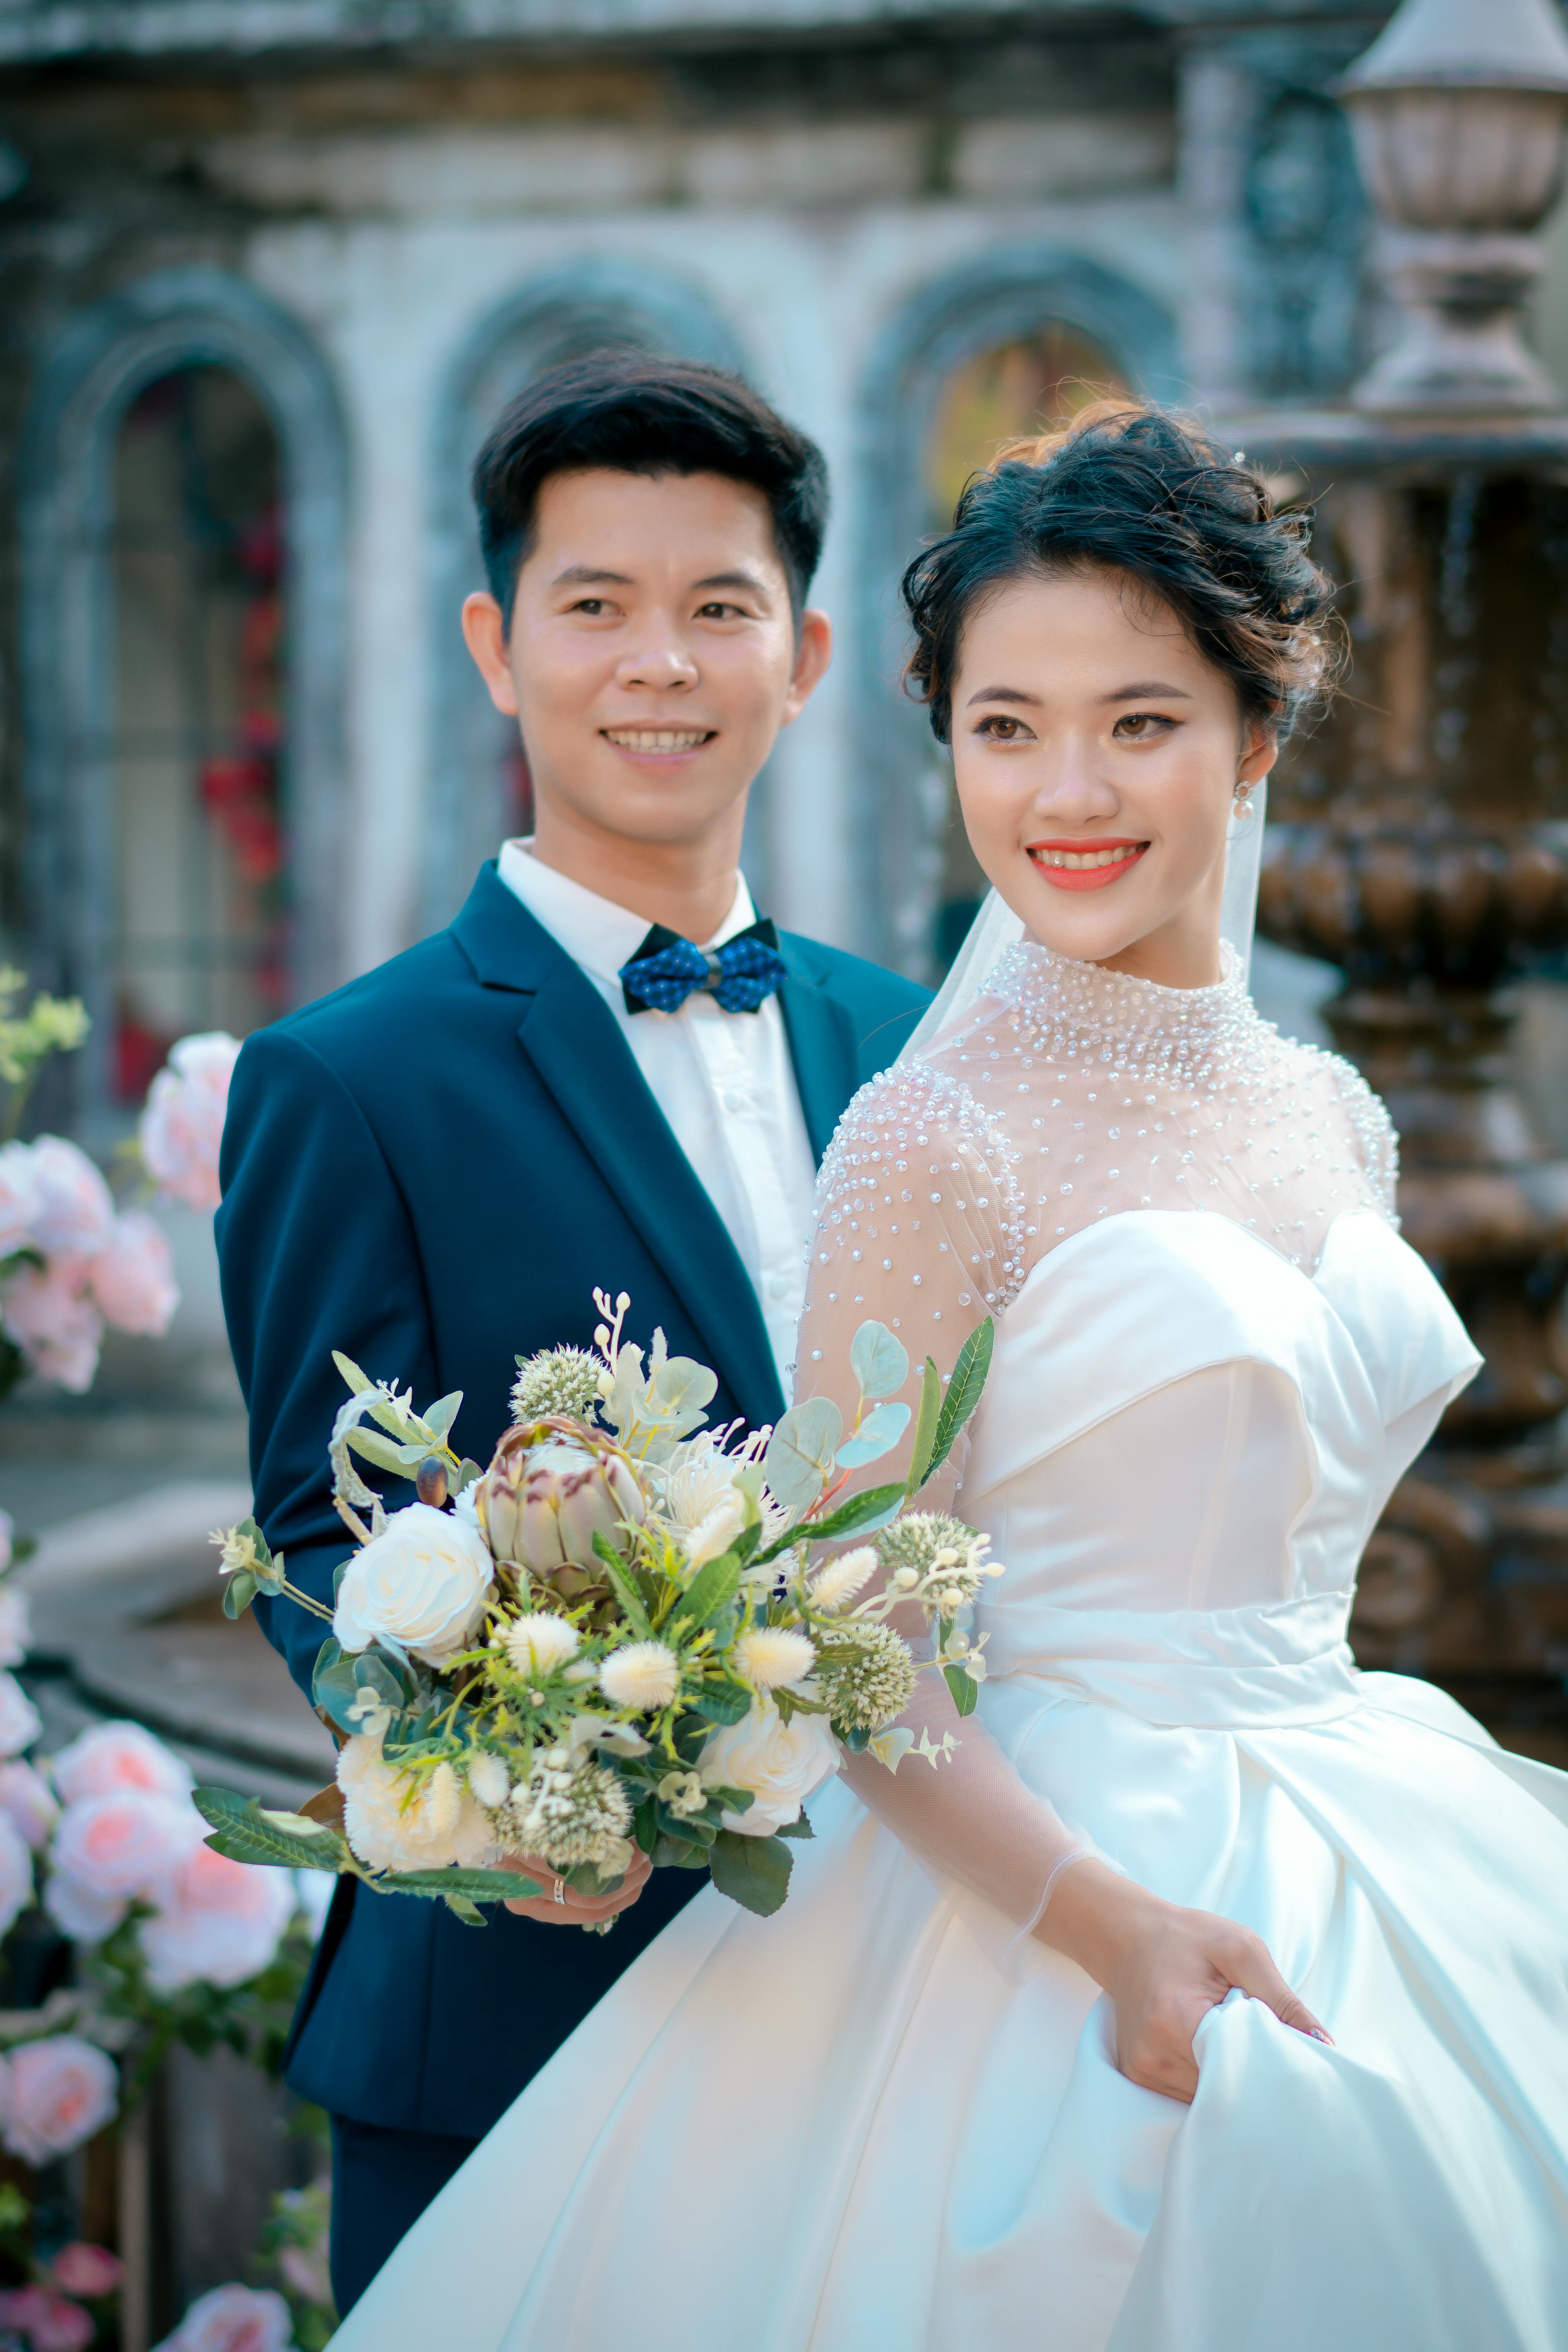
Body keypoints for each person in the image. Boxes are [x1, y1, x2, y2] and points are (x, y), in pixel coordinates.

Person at [328, 402, 1568, 2350]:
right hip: (1038, 1902)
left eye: (1139, 723)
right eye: (1006, 728)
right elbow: (856, 1635)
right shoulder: (933, 1134)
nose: (1066, 788)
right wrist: (1112, 1932)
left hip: (1356, 1804)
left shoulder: (1336, 1116)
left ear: (1255, 740)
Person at [214, 352, 929, 2317]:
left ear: (797, 657)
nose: (658, 666)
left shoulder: (914, 1042)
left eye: (717, 610)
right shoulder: (344, 1078)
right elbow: (313, 1533)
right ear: (494, 642)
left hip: (898, 1988)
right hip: (526, 1993)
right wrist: (503, 1792)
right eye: (593, 606)